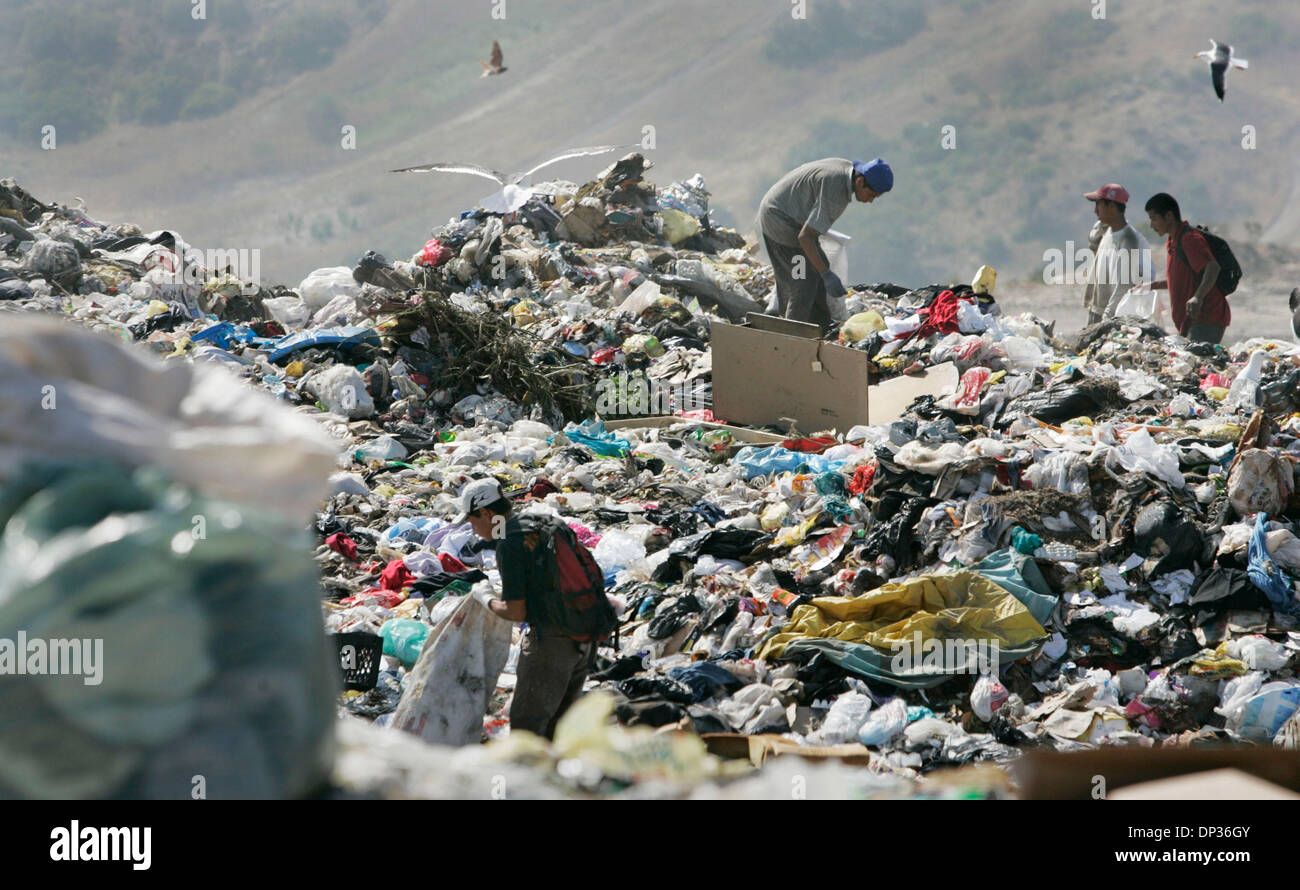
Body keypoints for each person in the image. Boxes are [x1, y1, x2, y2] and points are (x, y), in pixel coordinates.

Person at [460, 477, 594, 739]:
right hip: (587, 633)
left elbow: (515, 613)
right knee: (561, 727)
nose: (473, 529)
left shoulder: (509, 543)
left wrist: (486, 598)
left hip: (553, 642)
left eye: (472, 521)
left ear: (486, 513)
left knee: (526, 730)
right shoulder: (544, 523)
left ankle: (530, 779)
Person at [756, 157, 892, 331]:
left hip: (787, 215)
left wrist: (823, 270)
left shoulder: (844, 170)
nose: (871, 200)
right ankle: (791, 337)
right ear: (860, 181)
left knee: (818, 266)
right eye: (871, 195)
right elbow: (805, 237)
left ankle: (819, 327)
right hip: (780, 221)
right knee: (802, 281)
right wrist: (826, 274)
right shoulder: (837, 194)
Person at [1145, 192, 1230, 344]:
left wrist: (1198, 297)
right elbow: (1180, 281)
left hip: (1206, 318)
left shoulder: (1189, 239)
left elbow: (1212, 268)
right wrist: (1150, 286)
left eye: (1154, 219)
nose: (1152, 225)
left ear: (1169, 216)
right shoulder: (1173, 241)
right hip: (1190, 321)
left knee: (1198, 361)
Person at [1080, 183, 1153, 325]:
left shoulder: (1130, 240)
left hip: (1112, 317)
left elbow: (1124, 285)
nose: (1095, 211)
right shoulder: (1108, 231)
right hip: (1097, 310)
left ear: (1112, 207)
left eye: (1098, 205)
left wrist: (1108, 316)